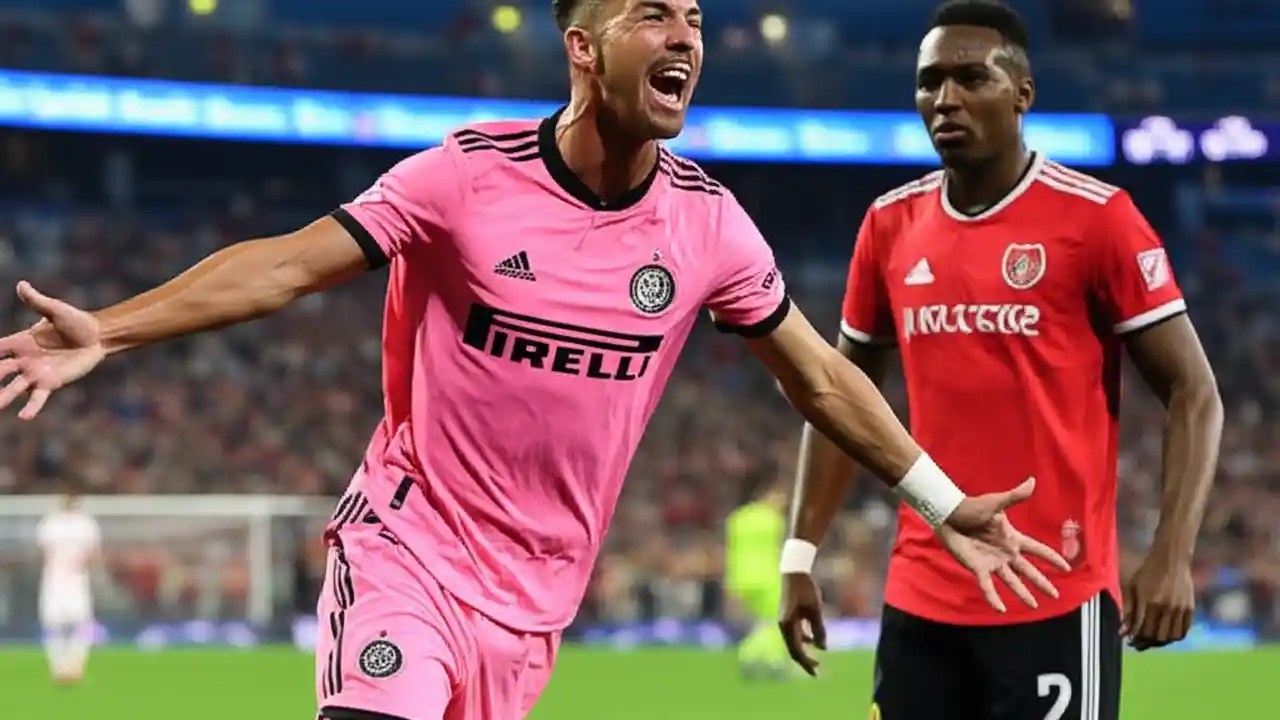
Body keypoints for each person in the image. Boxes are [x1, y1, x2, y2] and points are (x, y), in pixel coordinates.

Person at [2, 1, 1062, 718]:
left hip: (535, 606)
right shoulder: (464, 178)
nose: (683, 32)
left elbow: (818, 376)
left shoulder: (708, 227)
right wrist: (115, 327)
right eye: (651, 11)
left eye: (694, 16)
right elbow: (287, 265)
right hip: (406, 550)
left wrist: (933, 494)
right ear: (584, 46)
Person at [777, 2, 1224, 719]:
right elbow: (836, 398)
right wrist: (799, 554)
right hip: (922, 598)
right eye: (929, 82)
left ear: (1023, 93)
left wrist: (1172, 552)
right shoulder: (890, 226)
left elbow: (1195, 392)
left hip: (1053, 594)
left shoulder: (1096, 219)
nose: (944, 99)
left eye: (969, 78)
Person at [724, 478, 793, 679]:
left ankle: (754, 657)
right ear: (767, 494)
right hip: (767, 576)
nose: (784, 502)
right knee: (773, 622)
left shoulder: (737, 518)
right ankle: (765, 659)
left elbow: (731, 550)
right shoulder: (773, 520)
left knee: (759, 622)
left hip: (741, 576)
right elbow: (779, 549)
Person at [35, 490, 101, 685]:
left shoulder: (86, 524)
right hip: (55, 579)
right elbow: (44, 552)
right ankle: (58, 667)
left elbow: (92, 553)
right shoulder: (50, 523)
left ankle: (75, 666)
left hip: (76, 580)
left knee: (81, 625)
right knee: (54, 625)